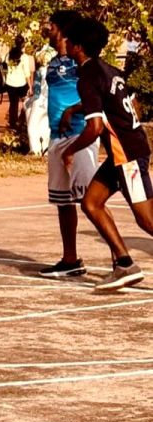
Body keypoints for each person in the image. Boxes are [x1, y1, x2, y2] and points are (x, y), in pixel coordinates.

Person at [61, 15, 152, 291]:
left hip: (127, 153)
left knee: (147, 219)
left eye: (67, 39)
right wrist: (75, 109)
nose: (63, 42)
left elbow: (95, 126)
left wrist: (70, 150)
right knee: (91, 203)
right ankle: (124, 264)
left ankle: (124, 264)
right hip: (123, 151)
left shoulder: (87, 76)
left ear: (77, 46)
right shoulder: (108, 70)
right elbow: (114, 103)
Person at [37, 10, 100, 278]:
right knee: (64, 202)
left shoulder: (84, 62)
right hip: (57, 138)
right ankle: (70, 259)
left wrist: (72, 110)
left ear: (62, 31)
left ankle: (119, 259)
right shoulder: (51, 62)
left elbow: (100, 97)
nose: (46, 30)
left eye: (50, 26)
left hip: (80, 136)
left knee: (93, 202)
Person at [3, 35, 34, 130]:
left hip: (10, 82)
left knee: (13, 104)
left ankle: (13, 124)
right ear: (23, 44)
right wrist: (30, 86)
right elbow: (27, 73)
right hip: (21, 83)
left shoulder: (8, 55)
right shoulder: (24, 57)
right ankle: (22, 121)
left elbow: (4, 69)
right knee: (26, 103)